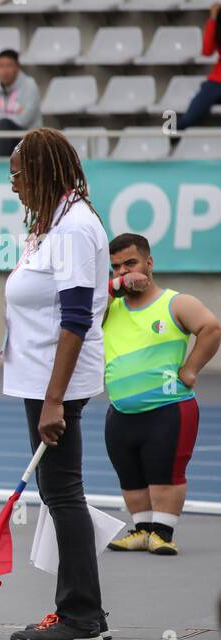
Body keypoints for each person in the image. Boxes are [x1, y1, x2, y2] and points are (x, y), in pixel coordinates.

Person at [2, 128, 110, 640]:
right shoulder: (54, 223)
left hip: (55, 384)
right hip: (46, 377)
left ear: (42, 172)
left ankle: (80, 616)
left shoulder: (72, 229)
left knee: (63, 493)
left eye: (18, 174)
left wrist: (53, 398)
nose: (13, 185)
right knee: (59, 492)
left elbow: (75, 317)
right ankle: (84, 610)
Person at [102, 233, 220, 556]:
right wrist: (114, 288)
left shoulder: (175, 302)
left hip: (168, 410)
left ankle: (163, 532)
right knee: (129, 473)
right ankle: (141, 530)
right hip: (122, 413)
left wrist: (191, 368)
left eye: (131, 263)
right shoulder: (108, 307)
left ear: (149, 262)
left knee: (164, 471)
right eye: (116, 268)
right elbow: (79, 310)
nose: (124, 272)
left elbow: (211, 328)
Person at [178, 3, 221, 132]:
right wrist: (213, 19)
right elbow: (207, 51)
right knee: (190, 117)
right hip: (216, 82)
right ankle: (164, 137)